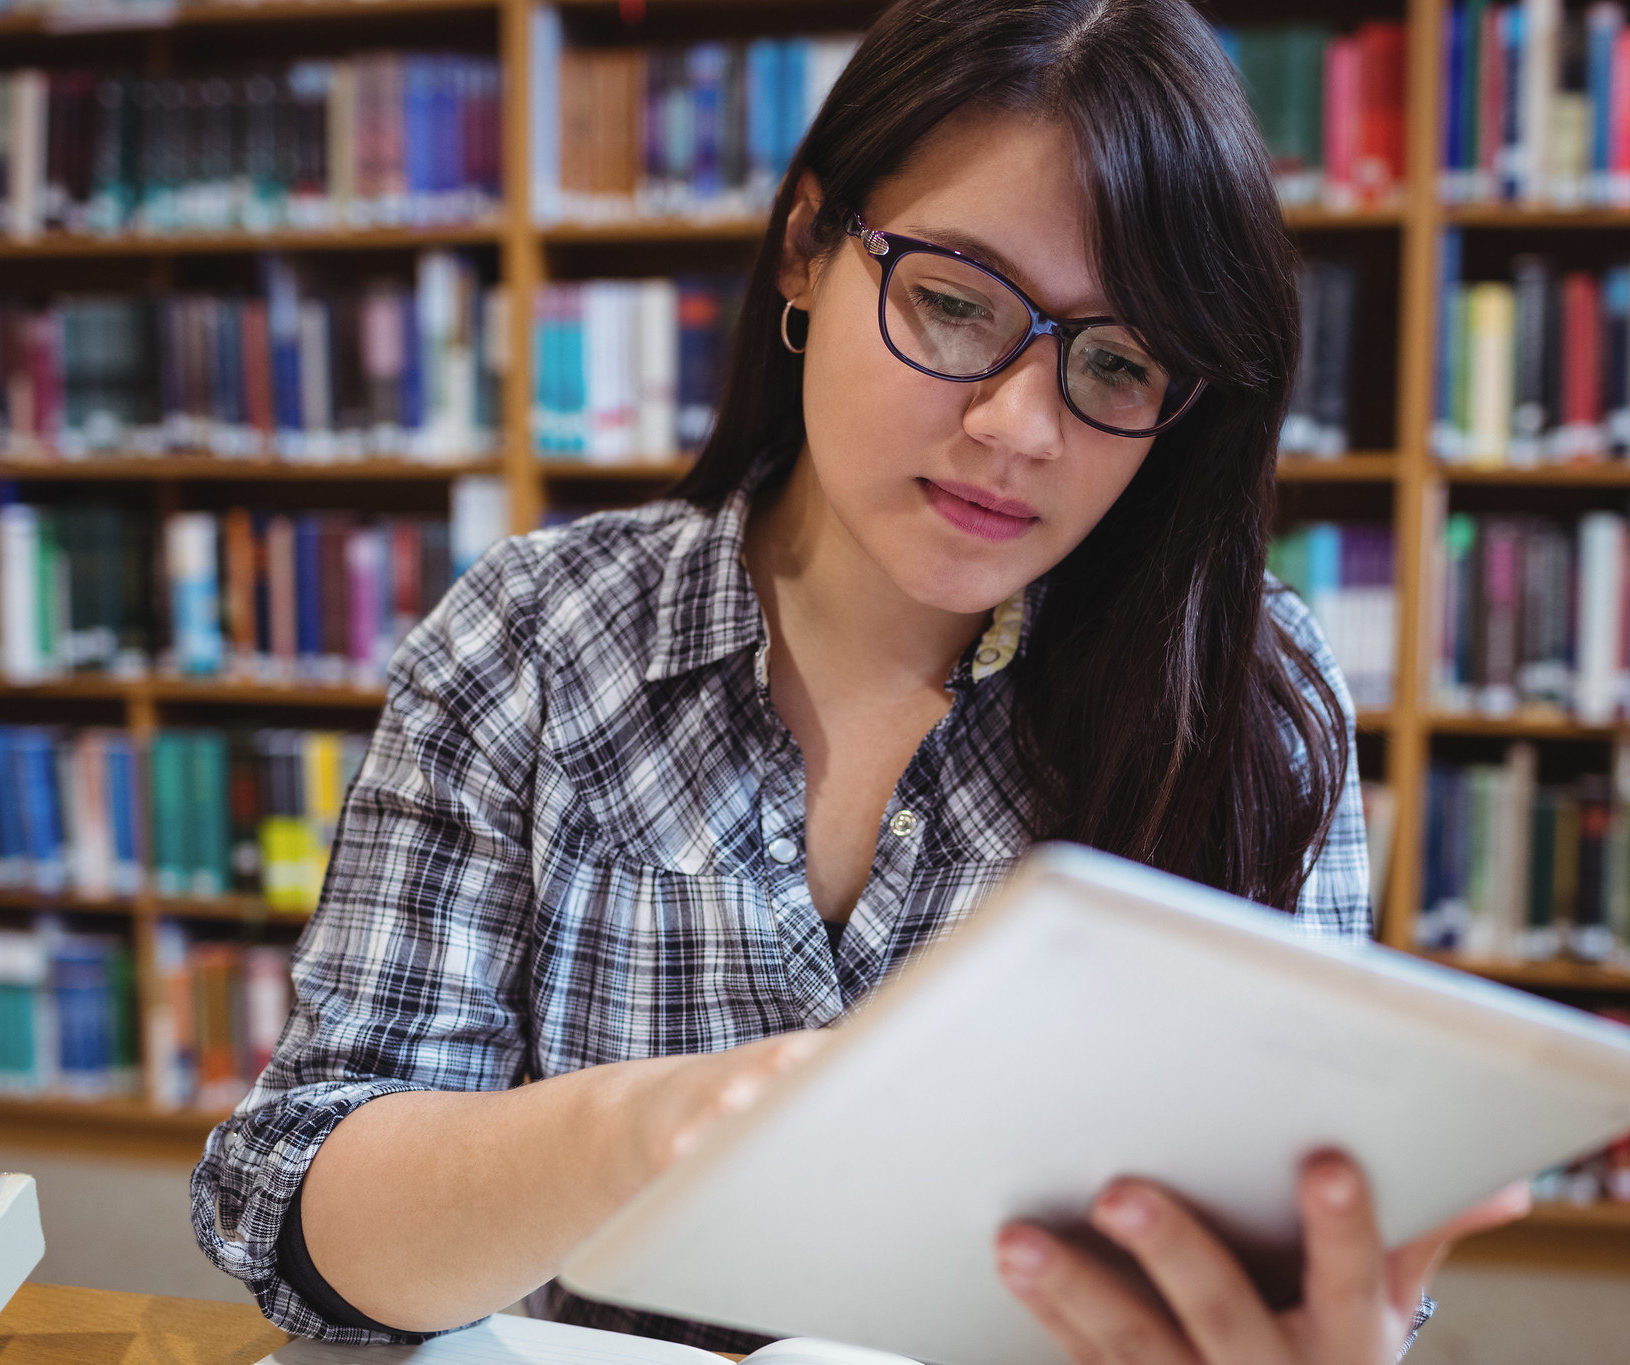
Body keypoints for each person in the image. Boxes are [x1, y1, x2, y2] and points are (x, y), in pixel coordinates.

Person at [191, 1, 1530, 1361]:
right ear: (807, 247)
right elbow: (299, 1206)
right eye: (951, 303)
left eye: (1116, 363)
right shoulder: (538, 636)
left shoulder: (1241, 690)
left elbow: (1296, 1254)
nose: (1017, 426)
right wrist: (652, 1127)